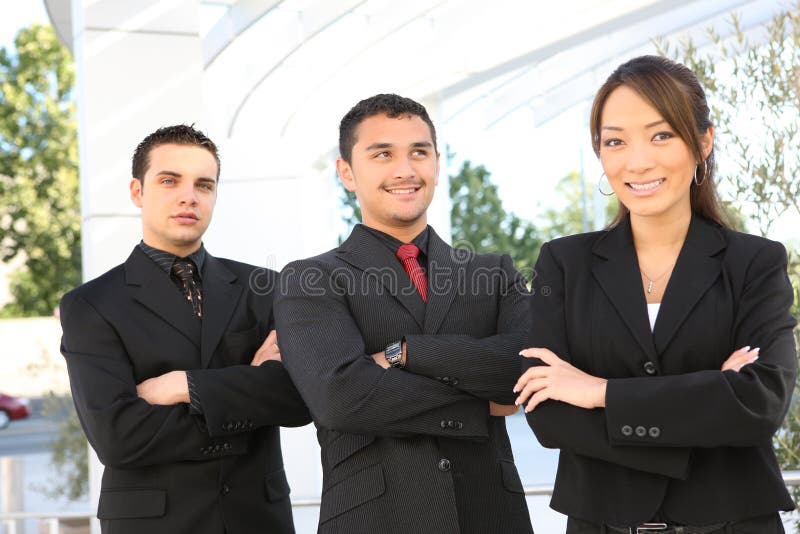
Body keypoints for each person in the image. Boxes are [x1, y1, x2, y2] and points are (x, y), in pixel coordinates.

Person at [514, 55, 797, 533]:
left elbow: (760, 403)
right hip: (602, 525)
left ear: (703, 141)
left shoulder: (754, 263)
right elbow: (550, 418)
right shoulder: (564, 264)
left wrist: (597, 391)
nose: (638, 160)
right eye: (615, 141)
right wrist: (709, 395)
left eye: (661, 134)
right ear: (600, 153)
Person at [274, 94, 534, 534]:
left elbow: (525, 367)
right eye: (382, 154)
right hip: (374, 520)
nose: (405, 170)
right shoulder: (311, 278)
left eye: (419, 151)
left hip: (491, 516)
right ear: (346, 173)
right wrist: (483, 400)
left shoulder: (493, 272)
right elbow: (342, 399)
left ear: (436, 162)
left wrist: (404, 353)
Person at [59, 124, 311, 534]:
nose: (188, 196)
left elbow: (299, 399)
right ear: (137, 192)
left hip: (258, 520)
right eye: (169, 180)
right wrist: (250, 391)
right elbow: (118, 437)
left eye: (204, 185)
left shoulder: (266, 288)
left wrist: (185, 386)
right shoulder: (91, 305)